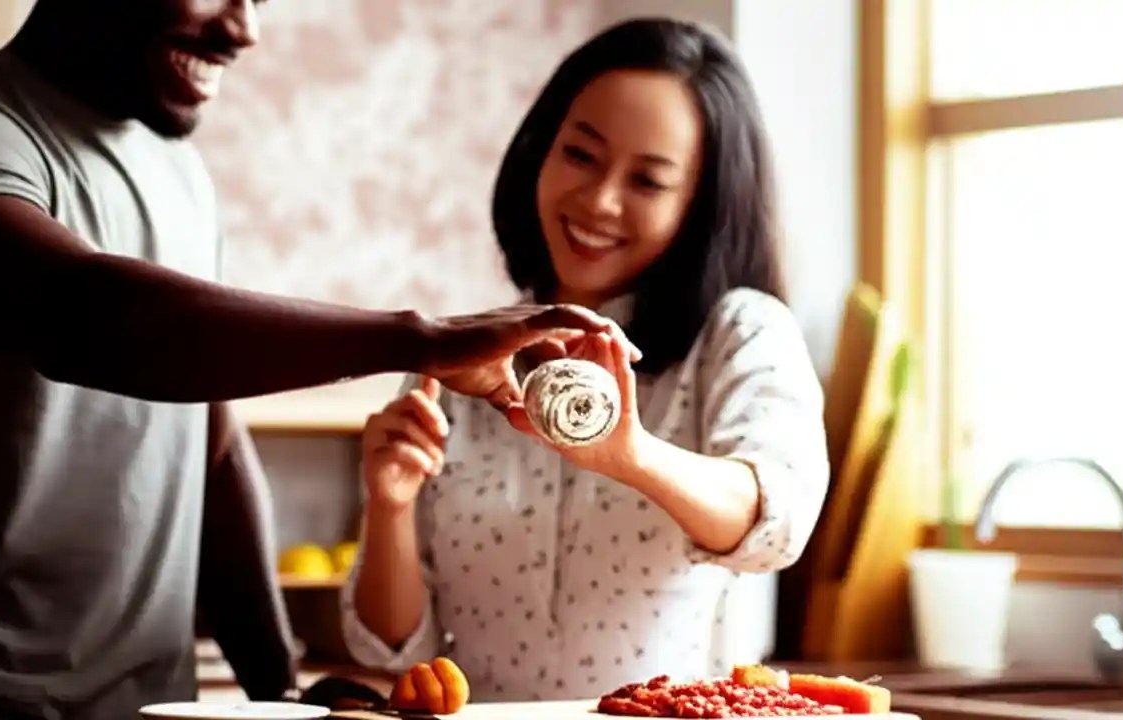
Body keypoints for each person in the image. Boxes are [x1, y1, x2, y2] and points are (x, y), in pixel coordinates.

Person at [0, 1, 634, 718]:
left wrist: (279, 690)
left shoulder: (177, 171)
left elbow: (208, 448)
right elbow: (86, 319)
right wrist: (419, 338)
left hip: (143, 704)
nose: (244, 30)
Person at [341, 17, 830, 701]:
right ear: (541, 149)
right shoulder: (458, 358)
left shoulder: (740, 335)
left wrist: (629, 455)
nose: (600, 201)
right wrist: (389, 504)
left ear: (701, 205)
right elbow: (395, 647)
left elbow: (772, 522)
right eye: (581, 154)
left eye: (649, 182)